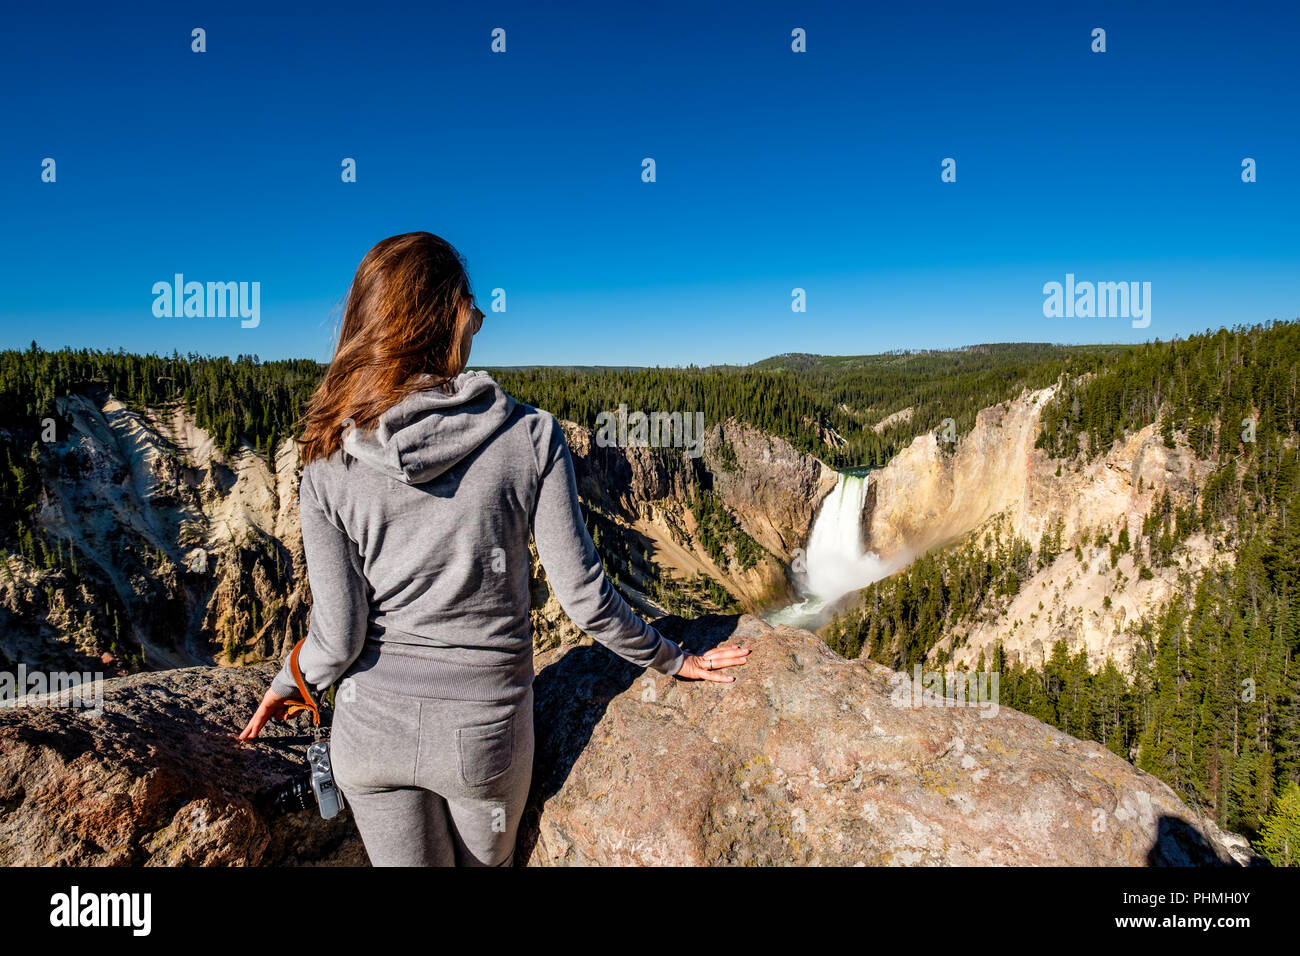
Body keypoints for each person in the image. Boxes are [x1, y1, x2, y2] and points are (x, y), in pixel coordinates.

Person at [237, 231, 750, 866]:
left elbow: (339, 636)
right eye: (471, 304)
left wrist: (293, 681)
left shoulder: (325, 456)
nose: (479, 319)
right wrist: (673, 659)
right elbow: (585, 599)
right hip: (483, 737)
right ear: (441, 317)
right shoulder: (528, 436)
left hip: (369, 736)